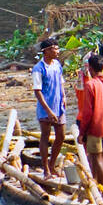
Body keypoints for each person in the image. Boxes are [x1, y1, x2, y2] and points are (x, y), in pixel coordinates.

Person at [77, 53, 103, 188]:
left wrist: (82, 132)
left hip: (95, 127)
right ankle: (99, 183)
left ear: (91, 69)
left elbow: (87, 112)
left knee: (95, 157)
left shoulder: (90, 85)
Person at [31, 39, 66, 177]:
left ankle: (52, 165)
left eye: (57, 49)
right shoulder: (38, 69)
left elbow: (61, 82)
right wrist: (48, 111)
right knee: (45, 136)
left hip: (59, 105)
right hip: (45, 108)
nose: (57, 52)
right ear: (46, 51)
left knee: (61, 136)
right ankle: (46, 169)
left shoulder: (57, 65)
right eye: (54, 49)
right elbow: (37, 91)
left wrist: (63, 96)